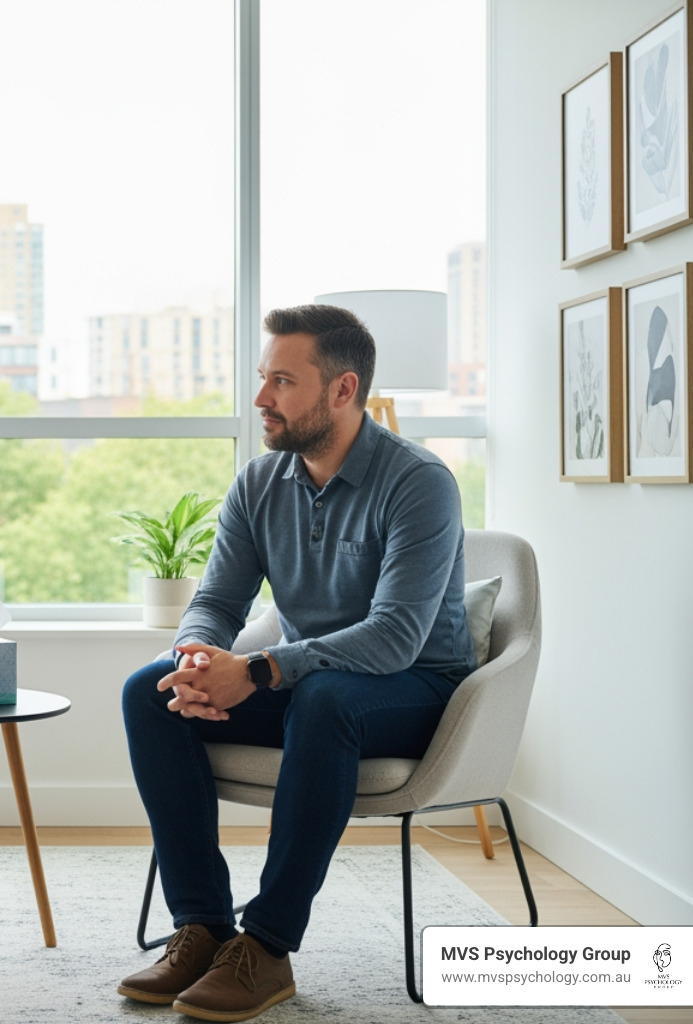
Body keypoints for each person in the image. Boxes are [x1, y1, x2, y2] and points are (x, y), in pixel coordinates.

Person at [116, 305, 476, 1022]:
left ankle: (269, 947)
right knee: (148, 690)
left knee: (328, 700)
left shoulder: (419, 483)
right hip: (313, 682)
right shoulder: (259, 483)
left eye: (282, 381)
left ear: (342, 391)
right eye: (262, 378)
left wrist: (254, 671)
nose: (261, 400)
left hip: (413, 692)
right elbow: (217, 598)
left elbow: (396, 637)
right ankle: (203, 928)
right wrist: (195, 657)